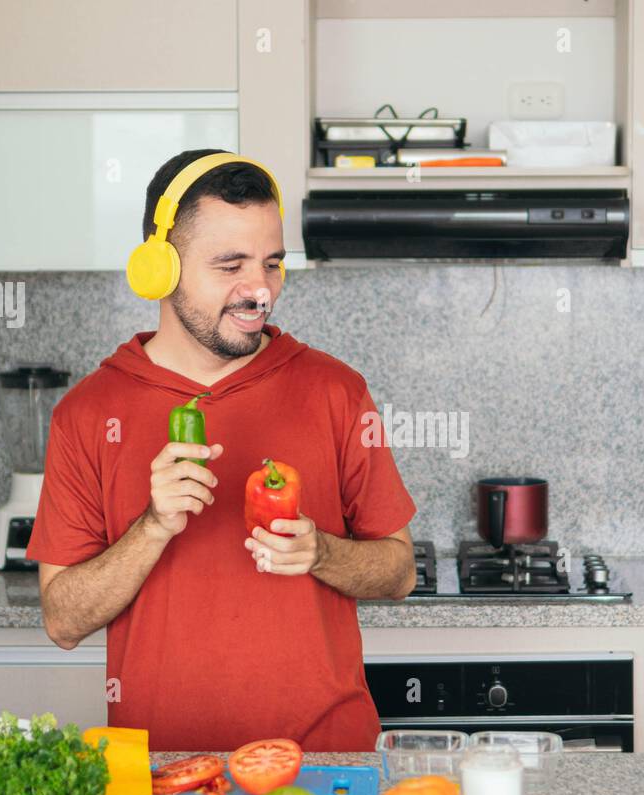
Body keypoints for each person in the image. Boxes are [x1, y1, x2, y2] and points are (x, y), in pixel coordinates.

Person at [25, 148, 417, 752]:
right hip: (163, 772)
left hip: (325, 762)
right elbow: (63, 619)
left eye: (272, 265)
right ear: (160, 268)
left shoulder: (336, 390)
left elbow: (398, 572)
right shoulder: (86, 413)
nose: (258, 291)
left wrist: (321, 554)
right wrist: (153, 527)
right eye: (230, 265)